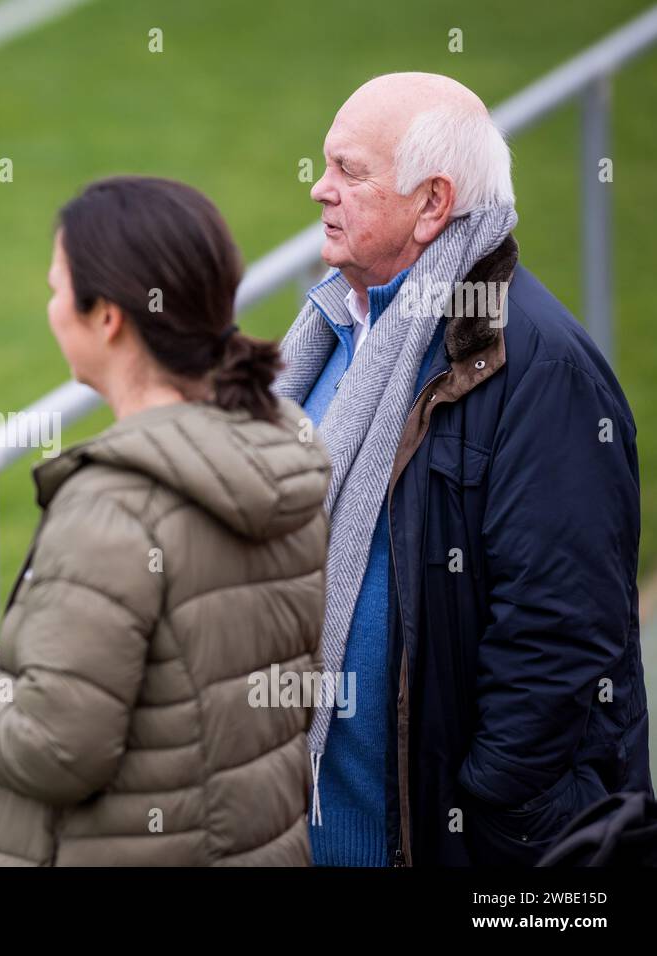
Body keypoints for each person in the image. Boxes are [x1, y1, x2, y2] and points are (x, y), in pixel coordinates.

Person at [273, 71, 651, 866]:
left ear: (433, 204)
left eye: (349, 171)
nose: (319, 189)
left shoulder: (542, 371)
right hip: (311, 827)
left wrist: (477, 796)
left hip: (447, 839)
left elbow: (560, 627)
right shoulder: (337, 329)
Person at [0, 175, 331, 865]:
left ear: (109, 317)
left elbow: (55, 748)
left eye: (59, 288)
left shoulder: (112, 507)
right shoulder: (282, 449)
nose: (52, 307)